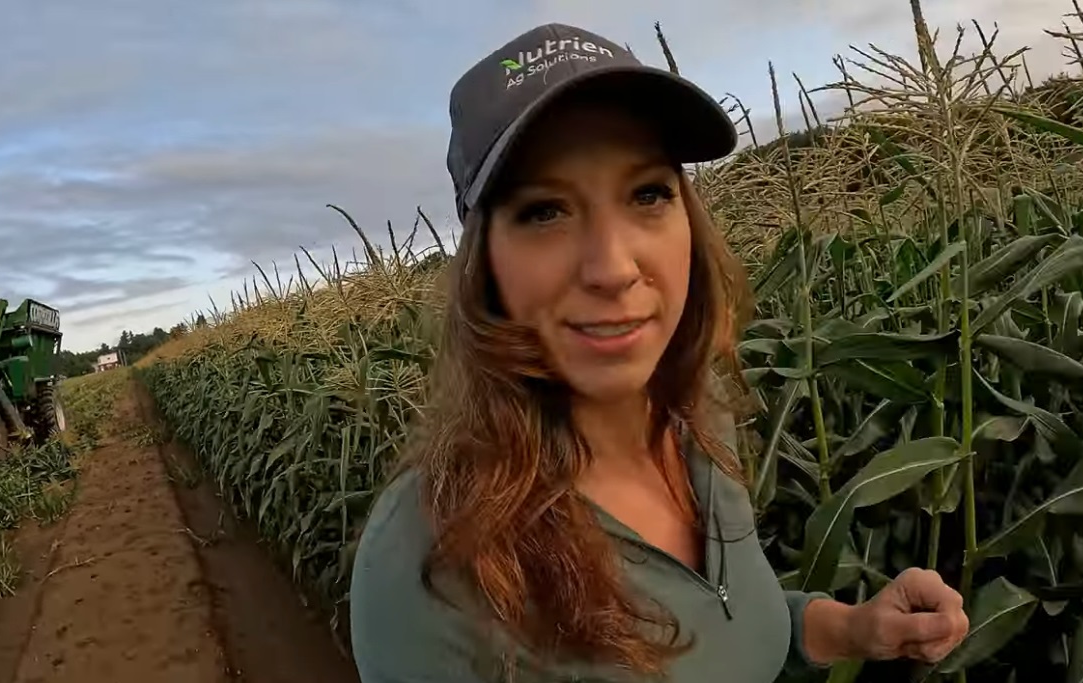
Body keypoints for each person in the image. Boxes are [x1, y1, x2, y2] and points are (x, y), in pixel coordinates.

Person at [348, 22, 970, 683]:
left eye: (647, 194)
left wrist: (852, 628)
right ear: (485, 265)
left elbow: (731, 632)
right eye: (544, 211)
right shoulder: (427, 564)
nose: (613, 267)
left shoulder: (701, 416)